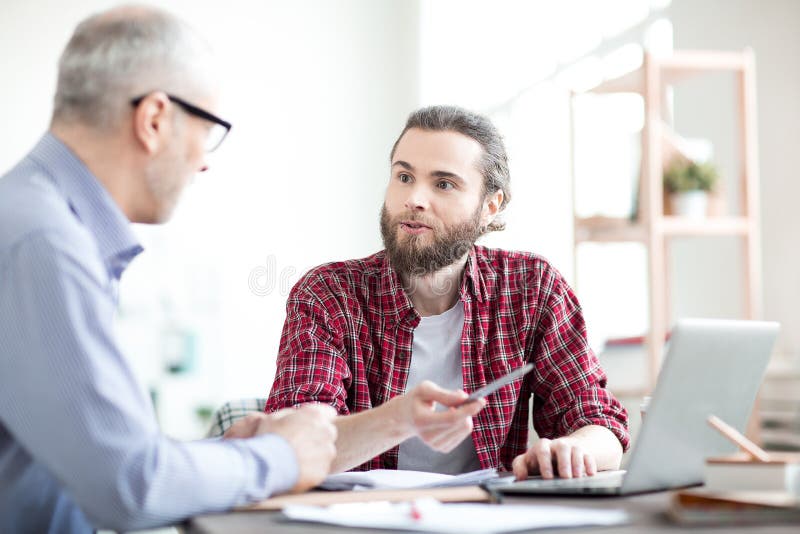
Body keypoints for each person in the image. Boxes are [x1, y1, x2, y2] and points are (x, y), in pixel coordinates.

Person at [0, 6, 336, 532]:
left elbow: (97, 454)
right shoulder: (43, 244)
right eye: (209, 129)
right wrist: (282, 455)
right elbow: (131, 487)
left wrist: (212, 463)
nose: (204, 160)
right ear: (154, 119)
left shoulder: (30, 218)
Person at [266, 105, 629, 480]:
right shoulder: (327, 294)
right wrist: (399, 420)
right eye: (404, 176)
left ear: (490, 206)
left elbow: (598, 422)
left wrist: (576, 448)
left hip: (488, 517)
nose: (415, 199)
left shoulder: (532, 287)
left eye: (443, 184)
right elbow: (291, 446)